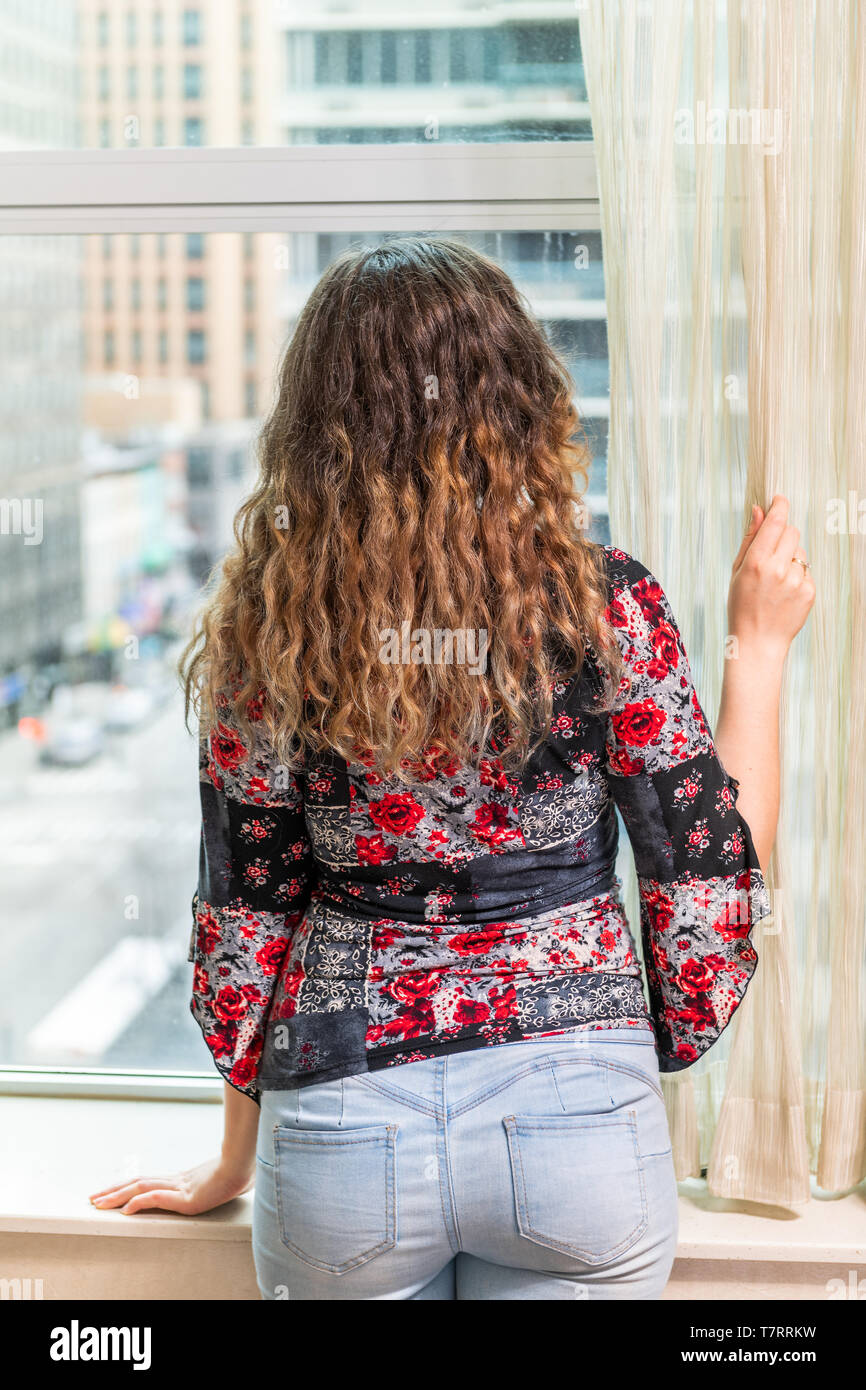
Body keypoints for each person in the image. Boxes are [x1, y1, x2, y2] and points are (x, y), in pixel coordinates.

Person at [89, 236, 815, 1300]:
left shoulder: (268, 632)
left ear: (313, 427)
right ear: (518, 400)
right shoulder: (601, 606)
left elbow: (250, 923)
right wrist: (759, 646)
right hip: (576, 1130)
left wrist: (231, 1166)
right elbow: (704, 877)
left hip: (341, 1142)